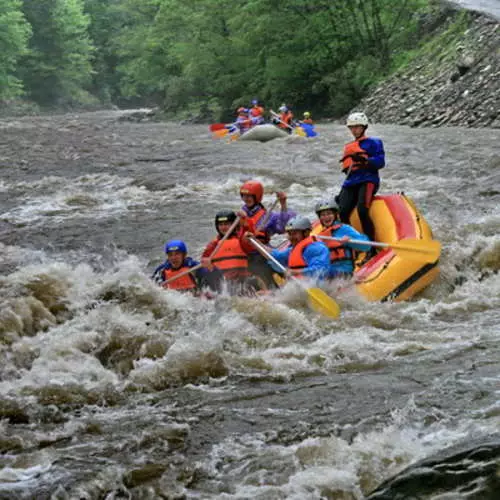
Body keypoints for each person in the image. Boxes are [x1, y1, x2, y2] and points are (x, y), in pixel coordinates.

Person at [336, 112, 385, 250]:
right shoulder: (349, 146)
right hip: (351, 181)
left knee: (362, 210)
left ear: (364, 127)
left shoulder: (374, 143)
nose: (354, 130)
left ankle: (371, 248)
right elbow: (347, 168)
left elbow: (380, 162)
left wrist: (365, 160)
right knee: (343, 212)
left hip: (368, 180)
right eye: (352, 127)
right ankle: (352, 244)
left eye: (357, 127)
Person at [239, 180, 296, 286]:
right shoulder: (239, 216)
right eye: (244, 196)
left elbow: (284, 227)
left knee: (265, 278)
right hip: (243, 256)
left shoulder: (268, 216)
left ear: (257, 196)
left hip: (261, 255)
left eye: (250, 196)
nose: (246, 199)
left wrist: (283, 204)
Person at [201, 210, 263, 294]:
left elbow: (248, 233)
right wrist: (207, 265)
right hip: (224, 284)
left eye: (227, 224)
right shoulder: (213, 245)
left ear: (234, 225)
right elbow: (204, 264)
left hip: (242, 281)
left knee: (253, 281)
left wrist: (245, 219)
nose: (223, 227)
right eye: (221, 225)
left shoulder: (241, 240)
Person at [311, 199, 371, 278]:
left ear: (335, 214)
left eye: (329, 214)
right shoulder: (321, 236)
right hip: (330, 271)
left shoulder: (345, 229)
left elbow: (367, 246)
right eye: (323, 215)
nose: (326, 217)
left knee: (322, 272)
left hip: (345, 272)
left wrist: (350, 241)